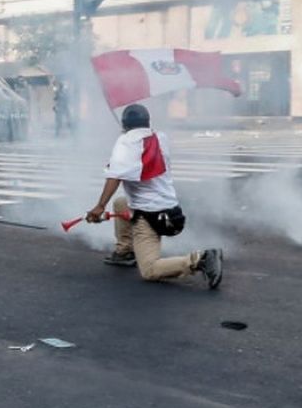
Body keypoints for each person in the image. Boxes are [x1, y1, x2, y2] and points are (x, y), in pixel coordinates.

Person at [84, 104, 223, 289]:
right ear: (147, 122)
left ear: (124, 124)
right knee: (120, 203)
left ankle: (200, 259)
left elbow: (115, 176)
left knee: (149, 270)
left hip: (149, 215)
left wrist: (100, 206)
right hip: (170, 209)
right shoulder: (160, 137)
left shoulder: (126, 142)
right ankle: (125, 251)